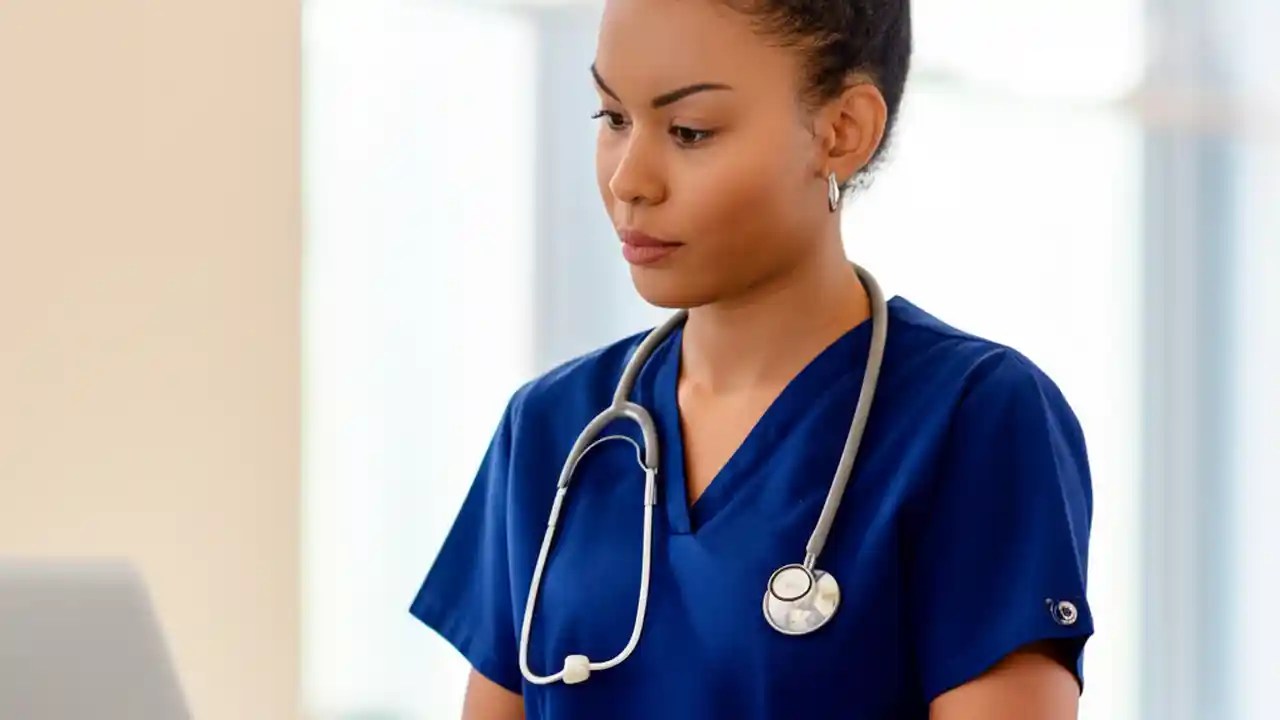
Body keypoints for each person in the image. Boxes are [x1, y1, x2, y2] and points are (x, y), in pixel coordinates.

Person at [409, 0, 1094, 718]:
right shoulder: (551, 432)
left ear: (841, 131)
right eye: (612, 118)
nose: (629, 179)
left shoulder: (973, 418)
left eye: (689, 131)